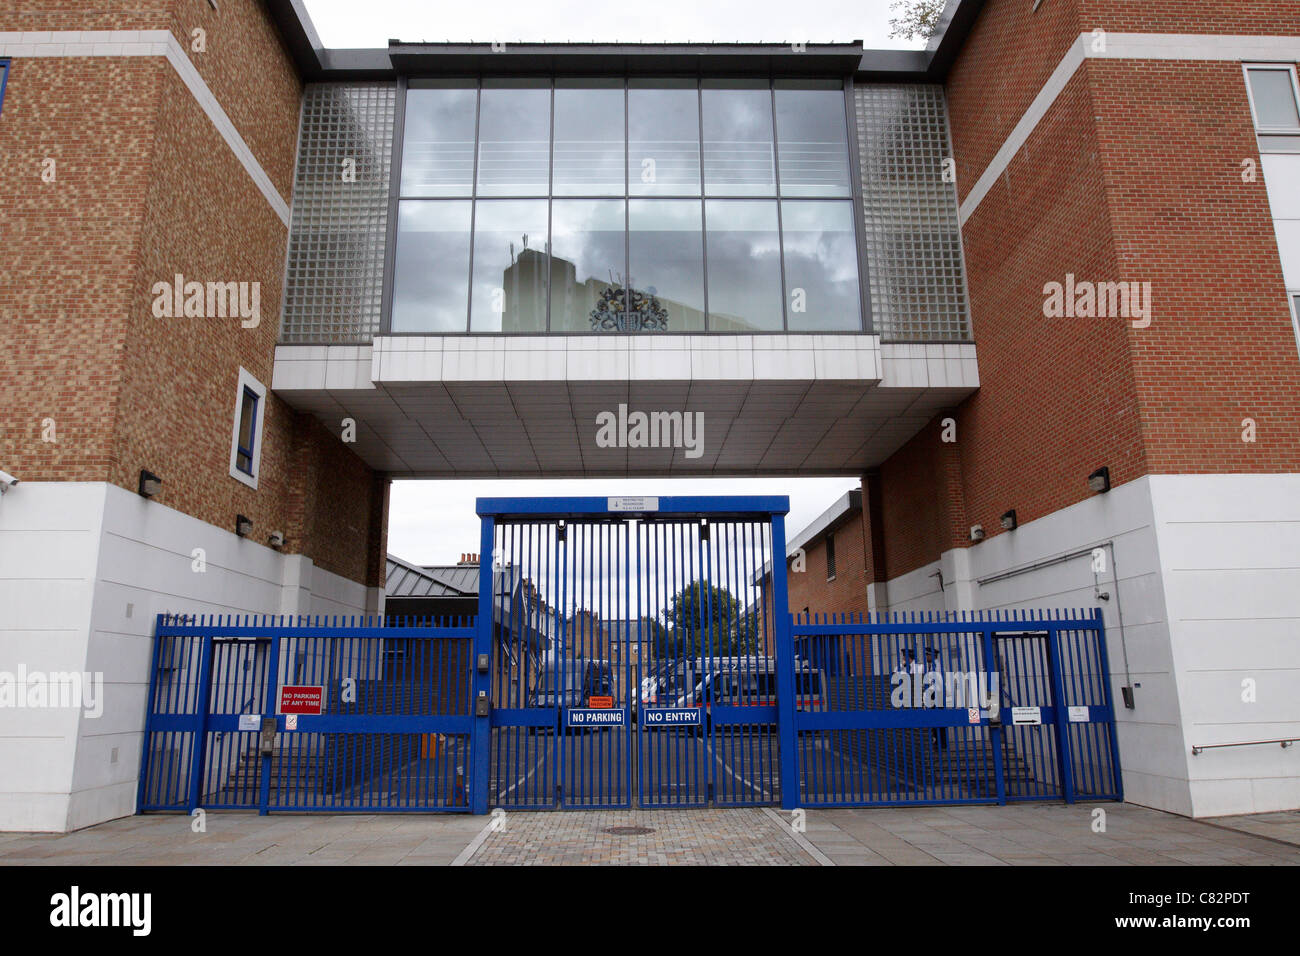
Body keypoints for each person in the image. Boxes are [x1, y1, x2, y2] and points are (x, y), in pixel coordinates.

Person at [924, 646, 948, 750]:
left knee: (939, 718)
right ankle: (938, 741)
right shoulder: (933, 666)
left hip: (937, 694)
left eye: (927, 655)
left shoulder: (937, 667)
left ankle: (941, 742)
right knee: (935, 718)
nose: (926, 657)